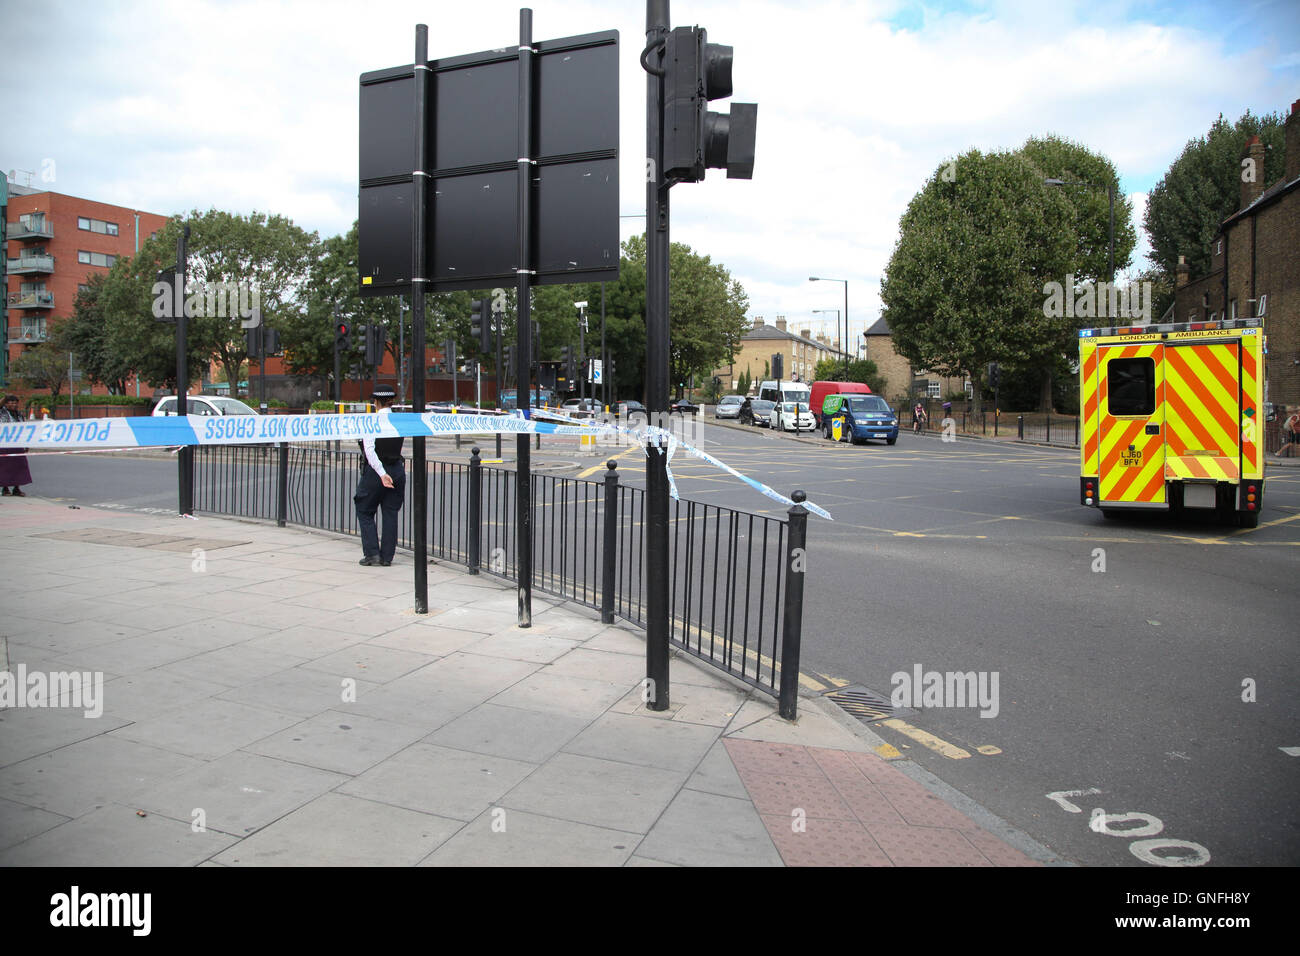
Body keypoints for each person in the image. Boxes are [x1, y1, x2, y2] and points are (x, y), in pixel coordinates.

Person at [354, 386, 405, 566]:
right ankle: (387, 557)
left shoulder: (372, 421)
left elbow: (369, 450)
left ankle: (372, 554)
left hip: (377, 472)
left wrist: (382, 473)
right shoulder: (400, 420)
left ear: (376, 402)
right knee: (390, 513)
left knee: (364, 509)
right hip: (397, 469)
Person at [0, 395, 33, 497]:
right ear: (6, 403)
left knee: (19, 466)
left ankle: (16, 488)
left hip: (17, 443)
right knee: (5, 466)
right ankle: (5, 489)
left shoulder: (19, 415)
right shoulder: (2, 412)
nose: (13, 404)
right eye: (10, 402)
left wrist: (26, 444)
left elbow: (24, 428)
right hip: (4, 444)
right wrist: (5, 398)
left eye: (15, 403)